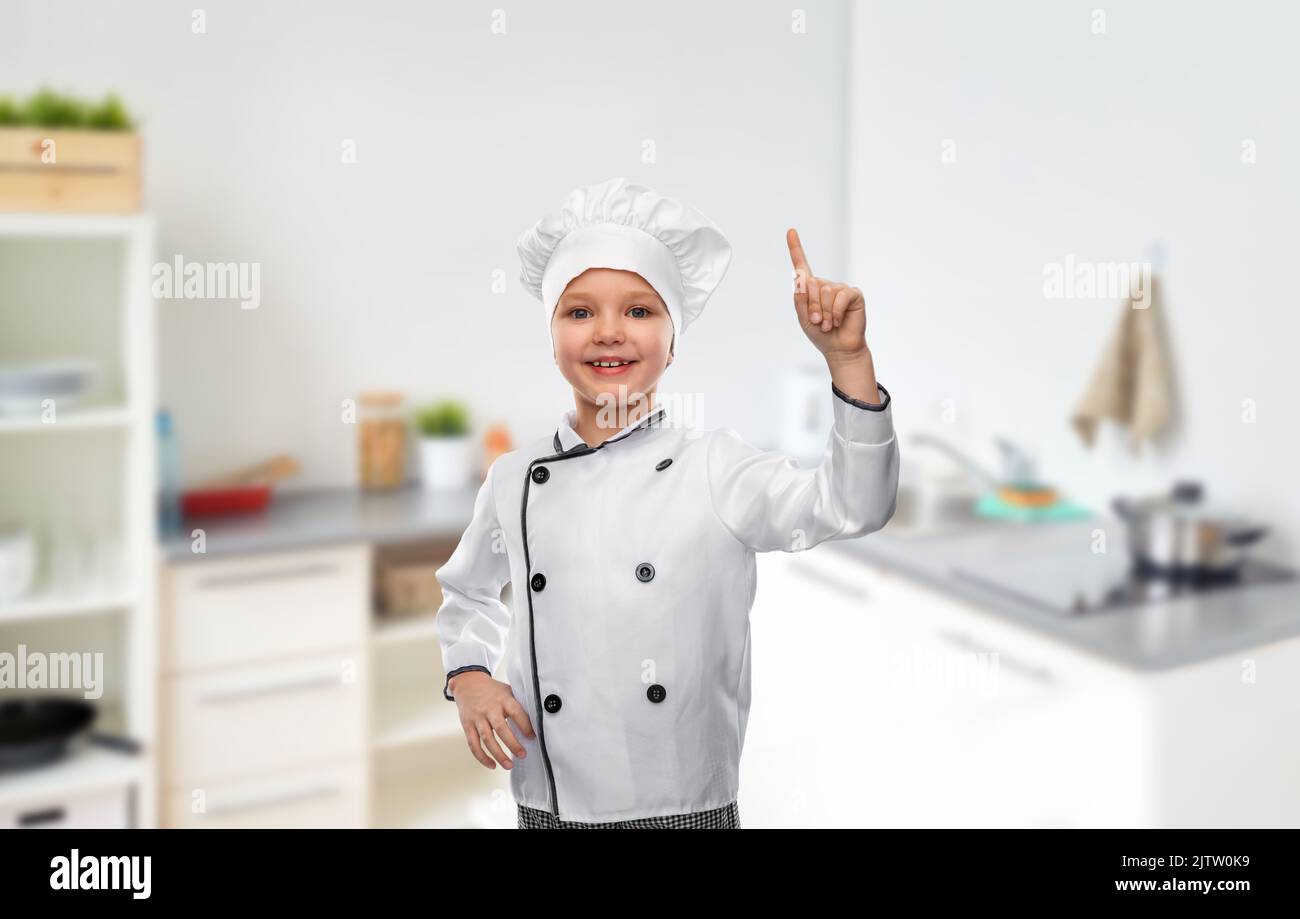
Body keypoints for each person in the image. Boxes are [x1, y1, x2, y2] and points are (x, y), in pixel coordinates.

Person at [434, 177, 899, 829]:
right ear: (552, 333)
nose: (608, 333)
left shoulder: (716, 466)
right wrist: (472, 676)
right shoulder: (515, 476)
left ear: (674, 339)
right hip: (547, 801)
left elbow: (853, 504)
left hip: (685, 806)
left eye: (639, 310)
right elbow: (467, 593)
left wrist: (848, 361)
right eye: (579, 311)